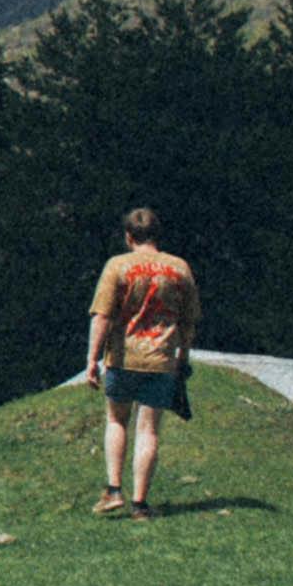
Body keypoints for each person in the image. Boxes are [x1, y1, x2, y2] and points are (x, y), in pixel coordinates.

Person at [84, 205, 200, 518]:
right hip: (161, 359)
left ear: (128, 236)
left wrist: (92, 359)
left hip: (123, 357)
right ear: (156, 235)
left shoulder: (117, 266)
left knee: (116, 420)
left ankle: (113, 489)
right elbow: (189, 320)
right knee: (148, 430)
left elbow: (102, 316)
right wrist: (183, 357)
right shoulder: (179, 268)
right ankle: (140, 503)